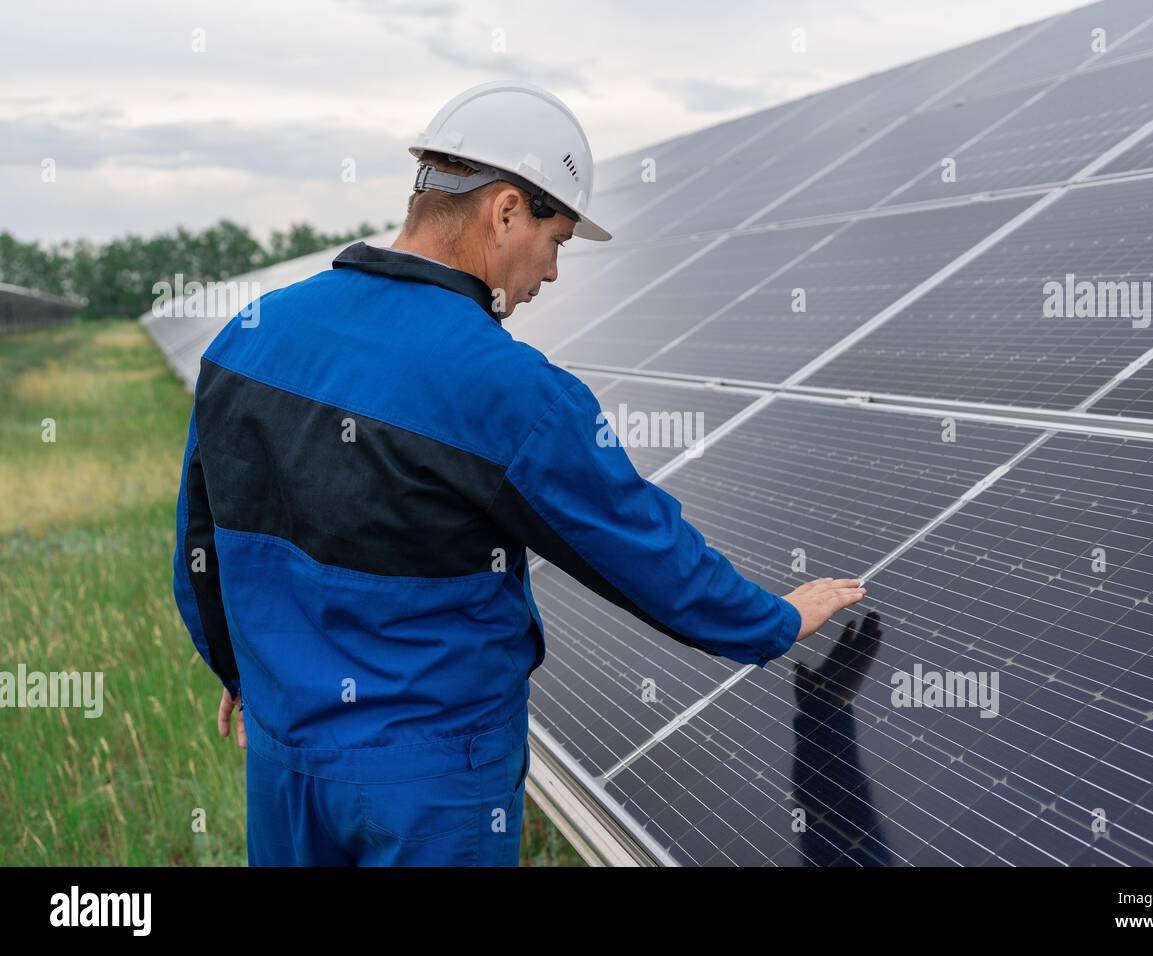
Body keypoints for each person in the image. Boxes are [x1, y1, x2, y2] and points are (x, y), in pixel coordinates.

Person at [171, 79, 866, 866]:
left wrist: (237, 670)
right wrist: (773, 621)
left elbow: (199, 544)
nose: (554, 273)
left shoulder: (248, 337)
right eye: (558, 239)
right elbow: (640, 547)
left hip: (283, 755)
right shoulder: (505, 388)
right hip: (431, 781)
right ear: (505, 211)